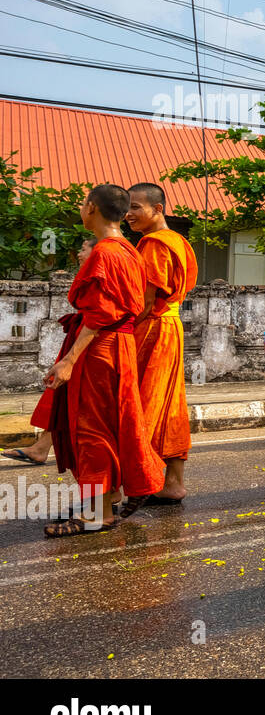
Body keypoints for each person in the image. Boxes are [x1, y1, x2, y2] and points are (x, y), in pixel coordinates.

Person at [46, 185, 167, 535]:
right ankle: (107, 495)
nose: (81, 210)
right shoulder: (128, 250)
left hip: (100, 347)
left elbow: (99, 314)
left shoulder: (105, 253)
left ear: (92, 208)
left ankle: (98, 513)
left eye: (83, 205)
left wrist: (69, 359)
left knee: (92, 428)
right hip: (119, 345)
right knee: (112, 422)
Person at [125, 183, 198, 504]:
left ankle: (140, 478)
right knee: (170, 404)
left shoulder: (154, 244)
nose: (128, 214)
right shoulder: (179, 242)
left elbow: (146, 299)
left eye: (136, 207)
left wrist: (117, 330)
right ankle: (173, 483)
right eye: (127, 208)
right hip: (170, 325)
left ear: (157, 209)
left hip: (152, 327)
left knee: (143, 402)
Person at [2, 238, 95, 466]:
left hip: (92, 341)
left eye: (84, 250)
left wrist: (71, 359)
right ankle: (41, 447)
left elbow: (100, 318)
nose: (80, 255)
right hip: (81, 337)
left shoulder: (104, 273)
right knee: (61, 393)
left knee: (78, 399)